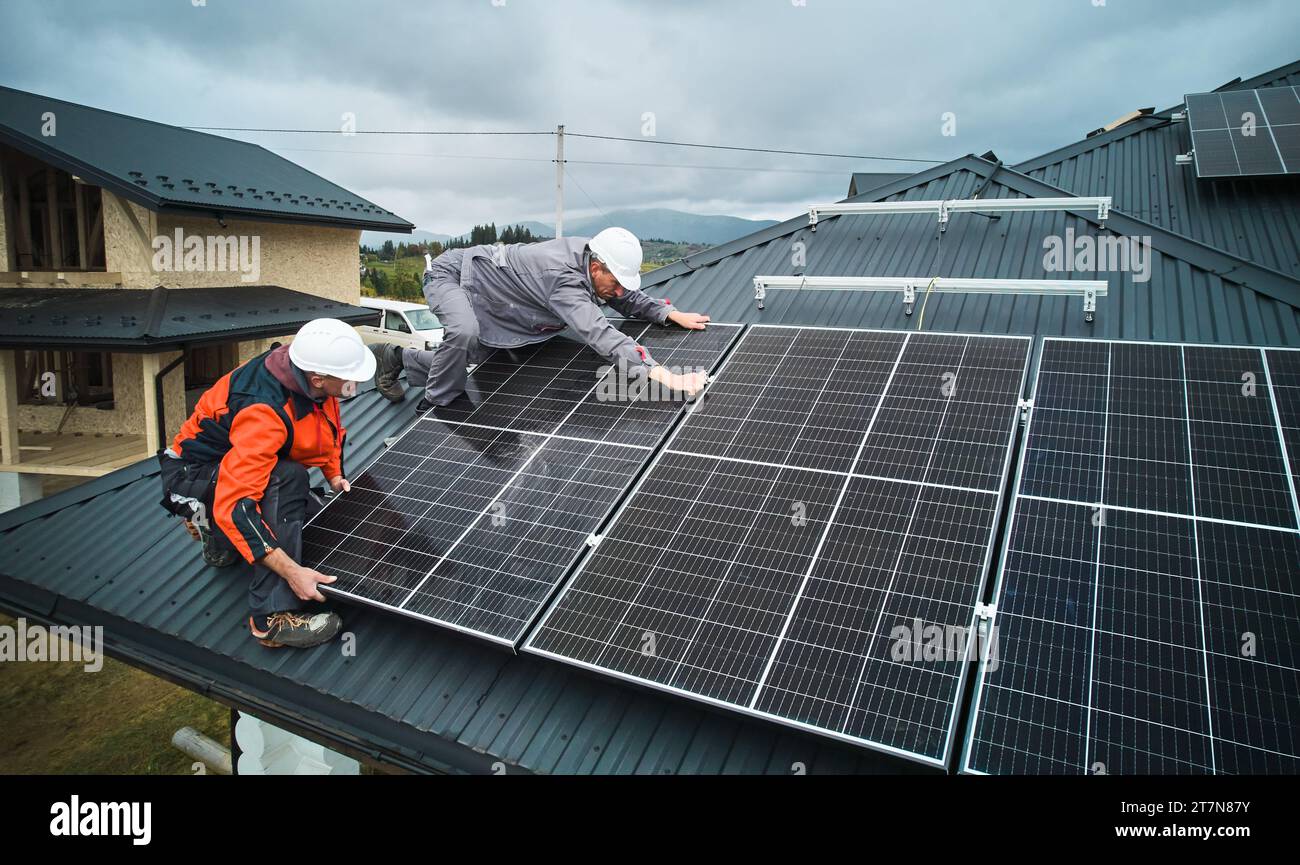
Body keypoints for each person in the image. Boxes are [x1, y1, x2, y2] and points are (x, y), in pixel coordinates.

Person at [157, 318, 374, 649]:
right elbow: (235, 505)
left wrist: (333, 475)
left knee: (311, 518)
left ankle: (212, 532)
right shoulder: (264, 410)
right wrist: (292, 573)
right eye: (349, 378)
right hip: (192, 475)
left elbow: (326, 425)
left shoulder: (309, 376)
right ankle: (270, 620)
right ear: (318, 378)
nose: (354, 384)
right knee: (287, 479)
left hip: (237, 468)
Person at [369, 227, 711, 410]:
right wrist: (664, 375)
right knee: (463, 334)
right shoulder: (563, 278)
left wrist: (669, 313)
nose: (619, 292)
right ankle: (436, 401)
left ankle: (398, 357)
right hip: (455, 276)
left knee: (481, 360)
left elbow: (624, 297)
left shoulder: (593, 256)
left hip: (500, 302)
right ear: (596, 267)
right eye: (616, 282)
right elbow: (600, 334)